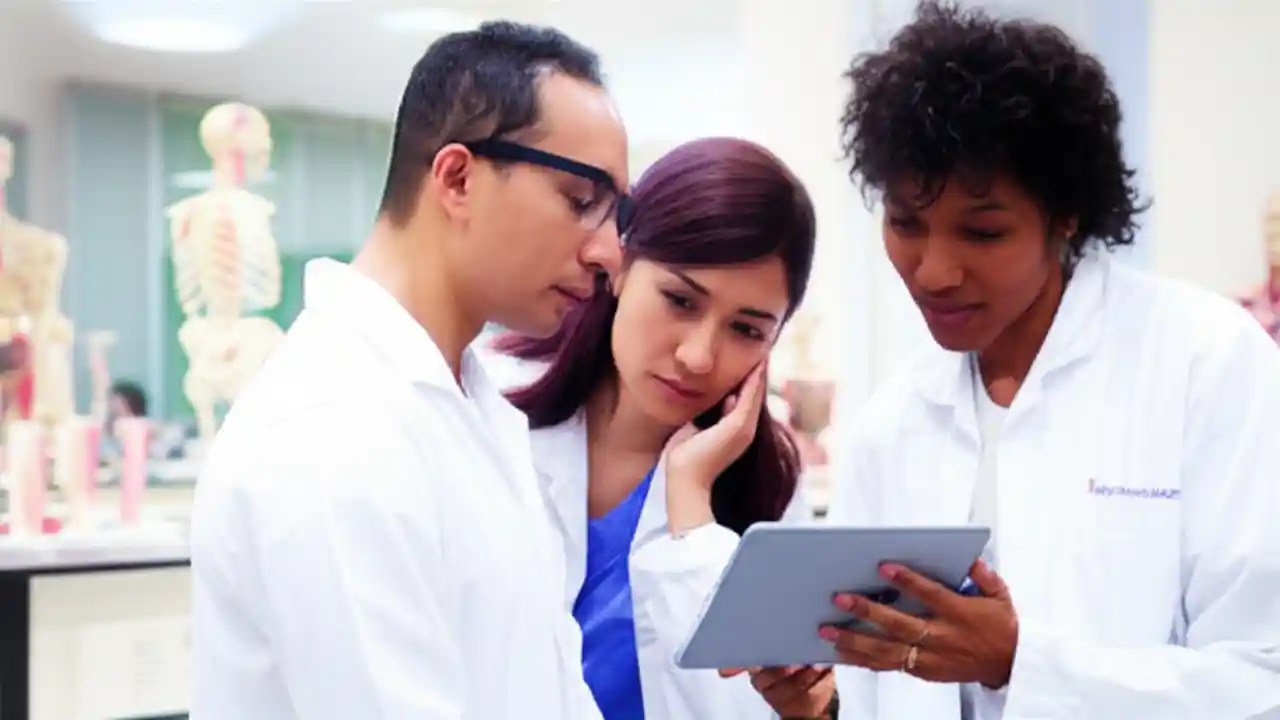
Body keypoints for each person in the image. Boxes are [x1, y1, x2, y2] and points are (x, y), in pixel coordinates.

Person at [815, 3, 1280, 719]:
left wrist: (1020, 664)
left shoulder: (1206, 364)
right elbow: (873, 689)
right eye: (905, 223)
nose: (934, 271)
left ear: (1066, 216)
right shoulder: (892, 424)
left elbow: (1260, 679)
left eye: (983, 231)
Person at [189, 21, 630, 719]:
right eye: (580, 203)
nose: (609, 252)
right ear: (457, 178)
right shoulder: (333, 428)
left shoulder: (472, 407)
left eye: (617, 215)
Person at [496, 137, 835, 719]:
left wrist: (691, 504)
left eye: (747, 330)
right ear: (622, 264)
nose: (699, 356)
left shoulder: (773, 488)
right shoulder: (491, 411)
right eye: (679, 300)